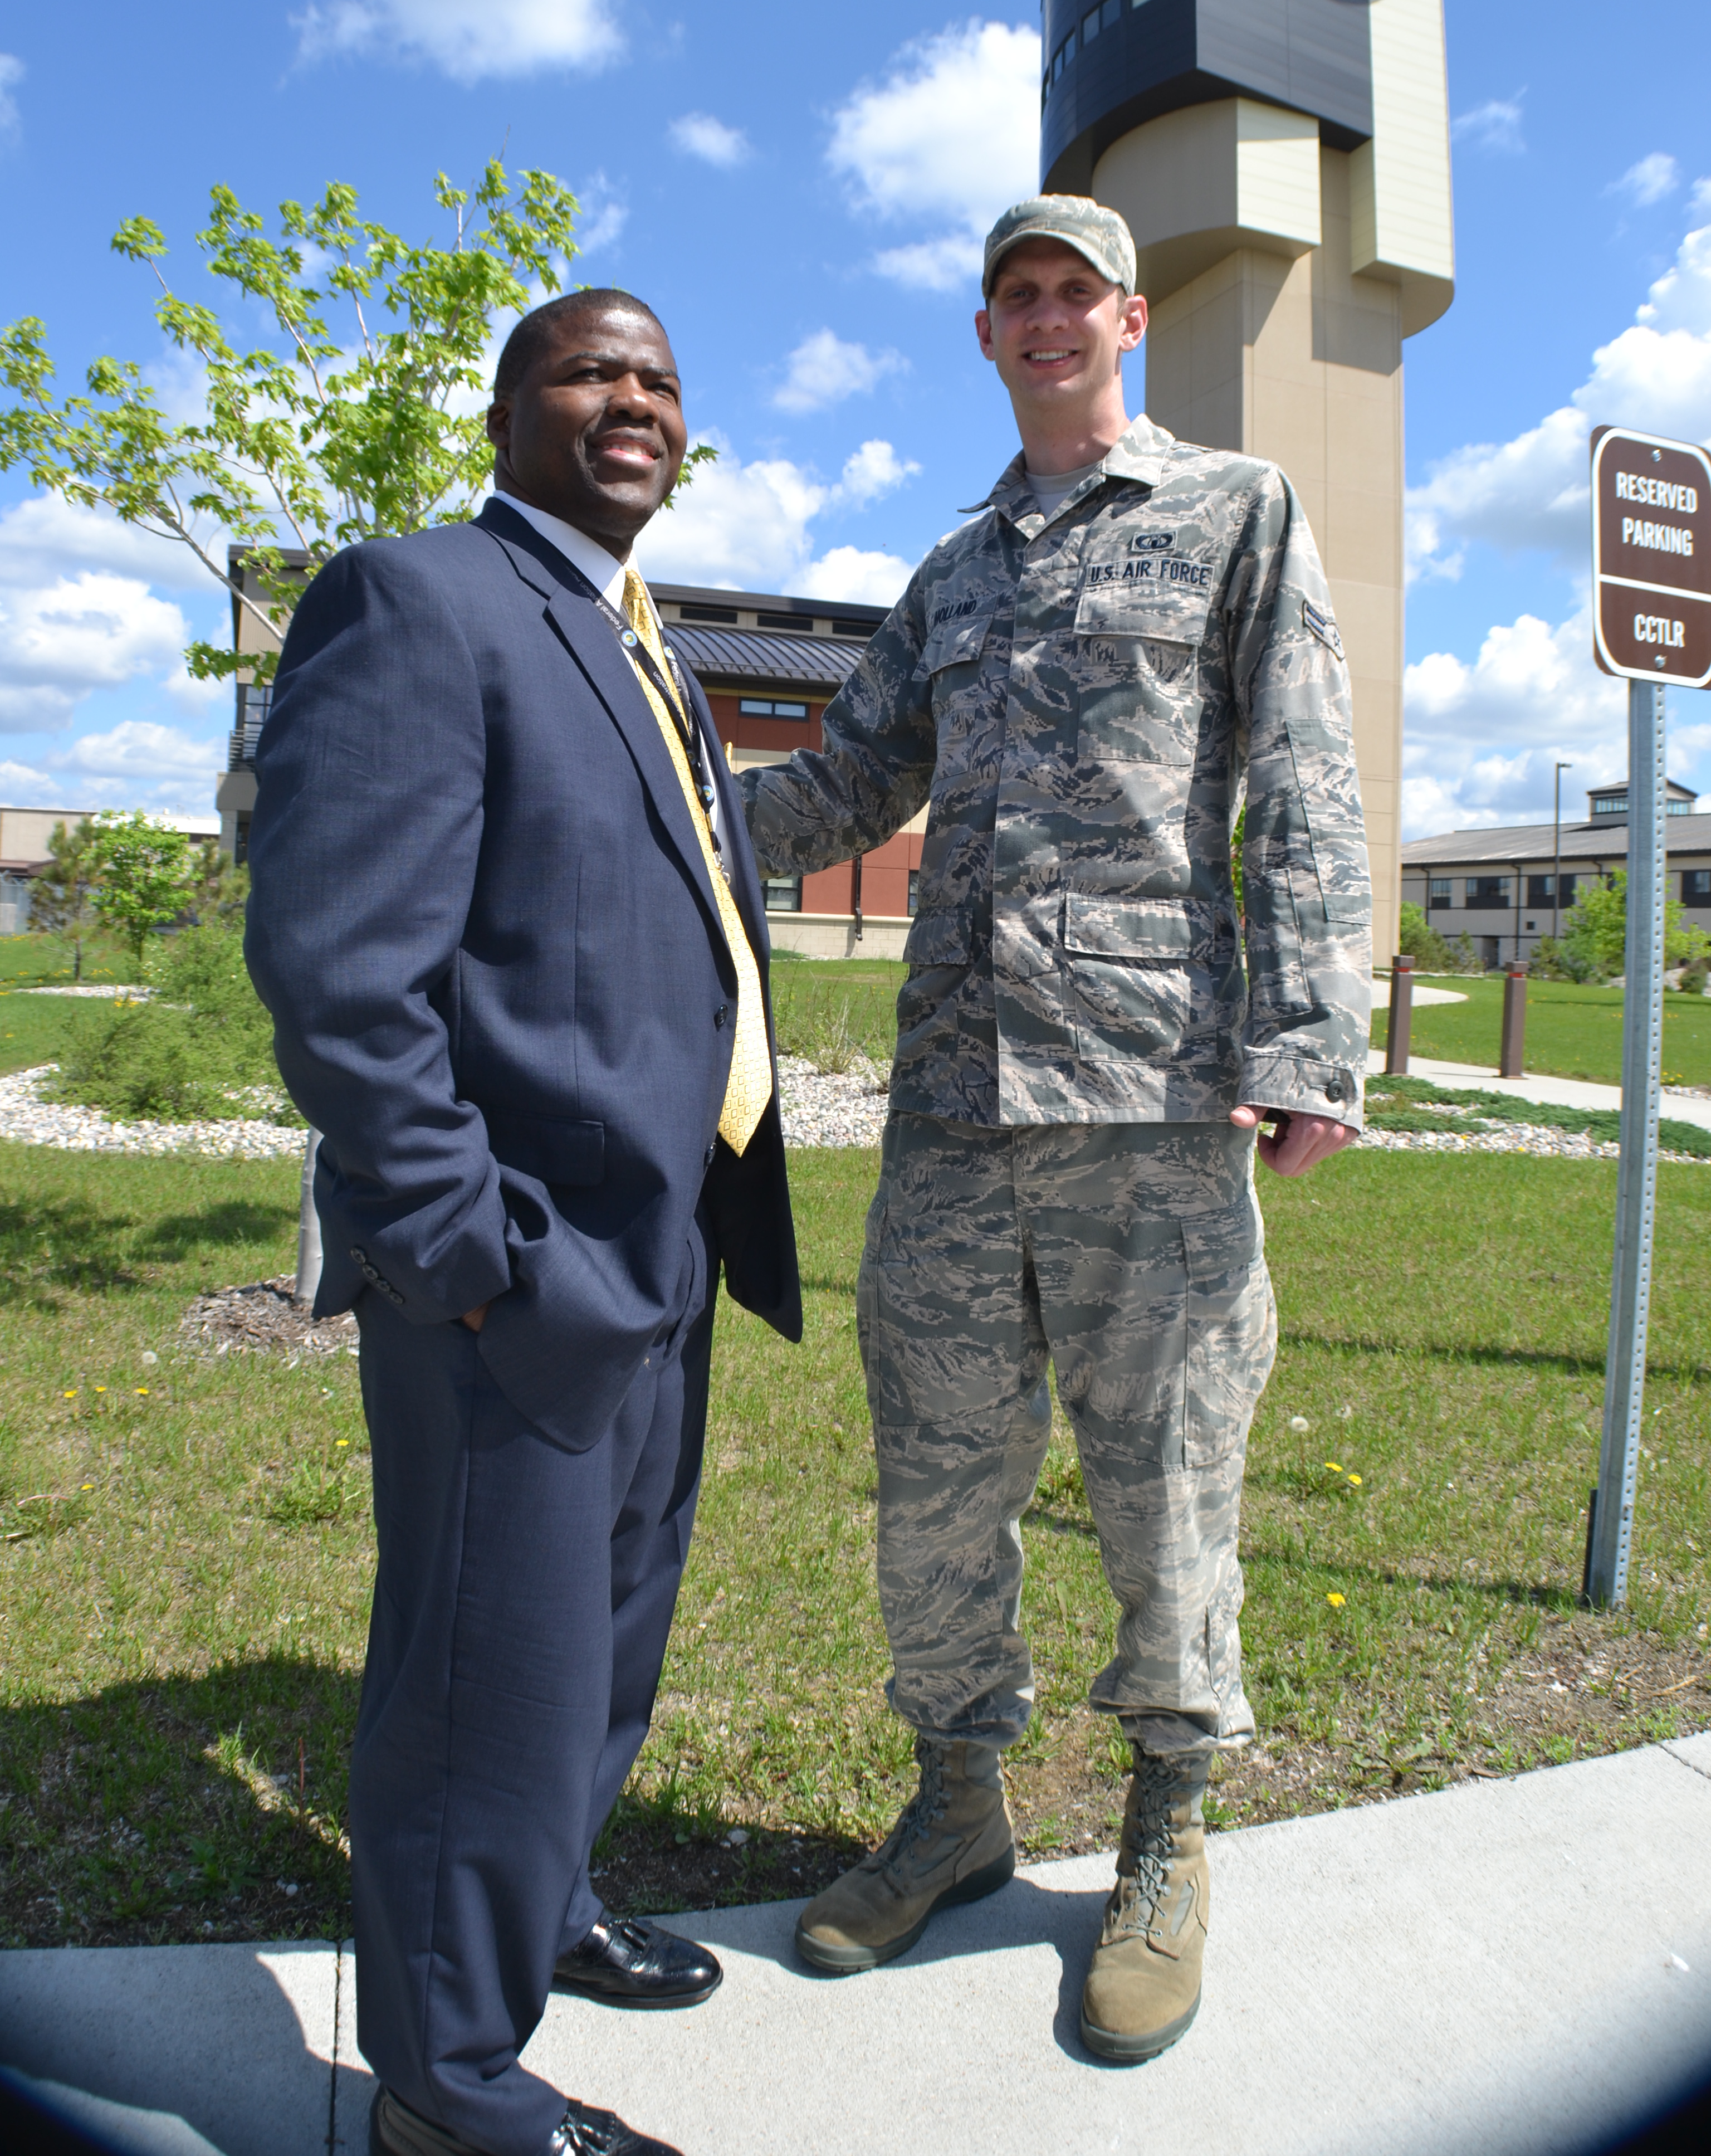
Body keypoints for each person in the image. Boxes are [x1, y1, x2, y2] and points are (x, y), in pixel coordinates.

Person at [739, 194, 1370, 2065]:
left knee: (1165, 1470)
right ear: (989, 329)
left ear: (1131, 316)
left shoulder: (1232, 511)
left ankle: (1169, 1825)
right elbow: (856, 777)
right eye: (1012, 295)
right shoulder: (955, 568)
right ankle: (959, 1798)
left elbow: (1303, 769)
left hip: (1152, 1095)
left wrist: (1313, 1037)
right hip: (952, 1103)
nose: (1041, 319)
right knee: (935, 1476)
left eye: (1071, 293)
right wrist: (660, 783)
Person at [245, 289, 801, 2156]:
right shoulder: (421, 601)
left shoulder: (648, 647)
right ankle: (447, 2090)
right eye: (589, 372)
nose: (632, 398)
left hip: (667, 1248)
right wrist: (470, 1260)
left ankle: (539, 1914)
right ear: (506, 415)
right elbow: (341, 976)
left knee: (601, 1648)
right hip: (518, 1274)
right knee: (485, 1684)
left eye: (658, 375)